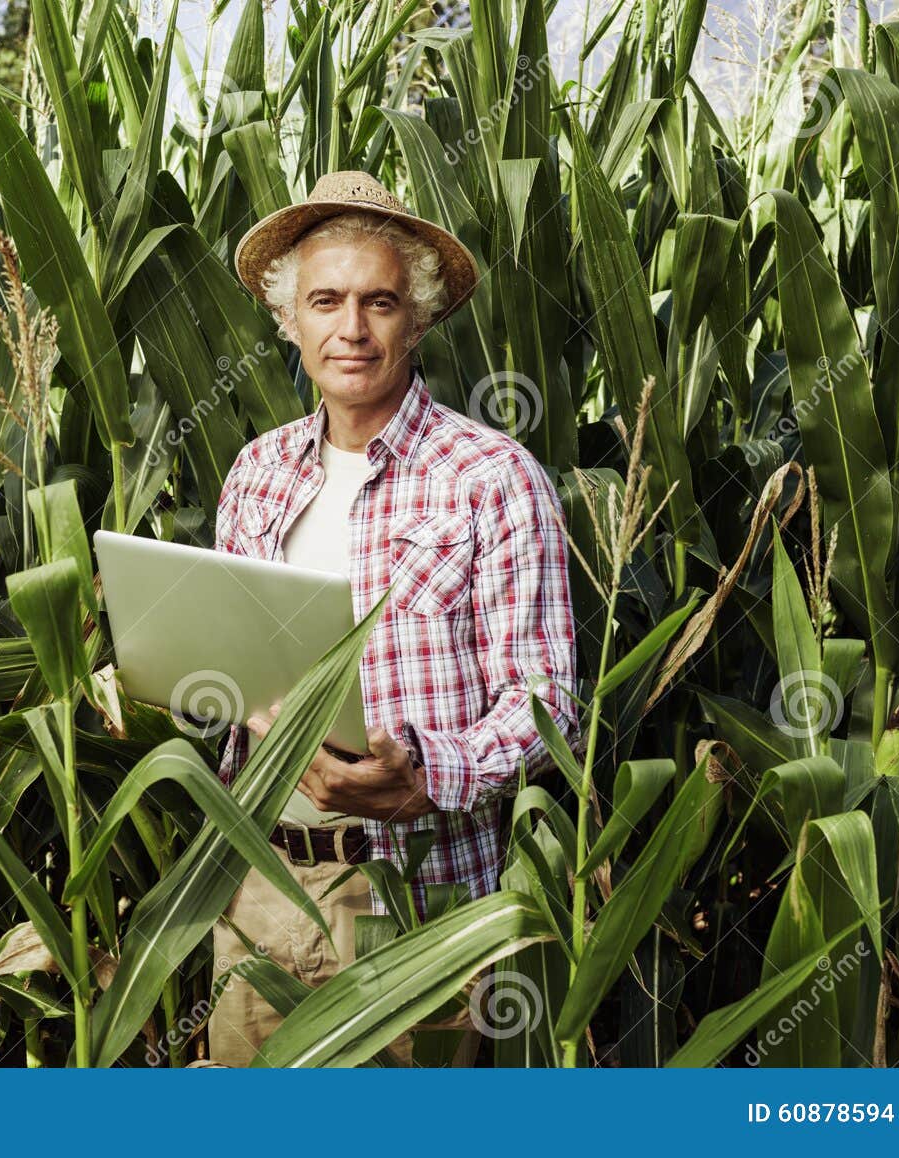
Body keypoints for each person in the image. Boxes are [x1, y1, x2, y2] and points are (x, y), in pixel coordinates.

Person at [202, 170, 581, 1067]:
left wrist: (425, 771)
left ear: (418, 319)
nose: (352, 327)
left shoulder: (493, 477)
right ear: (289, 319)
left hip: (416, 892)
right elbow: (228, 660)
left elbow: (548, 701)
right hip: (260, 882)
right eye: (326, 300)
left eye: (380, 302)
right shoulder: (253, 477)